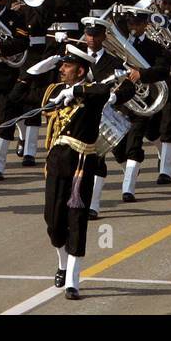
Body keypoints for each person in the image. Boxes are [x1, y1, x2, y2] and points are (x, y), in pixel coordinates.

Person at [39, 44, 134, 299]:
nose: (61, 69)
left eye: (66, 66)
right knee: (53, 221)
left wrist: (77, 91)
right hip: (57, 160)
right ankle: (61, 261)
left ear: (80, 71)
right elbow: (19, 96)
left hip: (81, 162)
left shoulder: (92, 93)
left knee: (77, 220)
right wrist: (35, 72)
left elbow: (107, 90)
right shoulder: (57, 90)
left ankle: (73, 279)